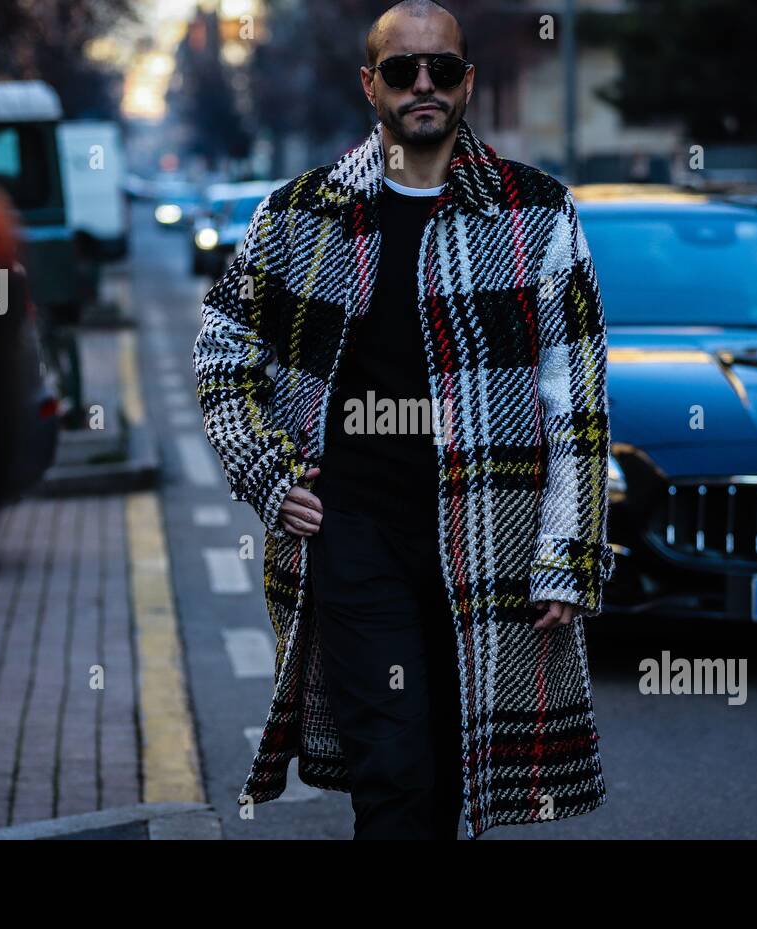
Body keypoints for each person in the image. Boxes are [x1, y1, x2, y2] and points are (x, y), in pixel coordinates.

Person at [193, 0, 615, 840]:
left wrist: (566, 554)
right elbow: (221, 355)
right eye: (401, 69)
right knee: (393, 773)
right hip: (353, 540)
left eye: (443, 69)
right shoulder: (295, 216)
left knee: (450, 776)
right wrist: (270, 474)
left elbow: (578, 398)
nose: (423, 85)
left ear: (467, 82)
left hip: (488, 543)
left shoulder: (537, 213)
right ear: (370, 85)